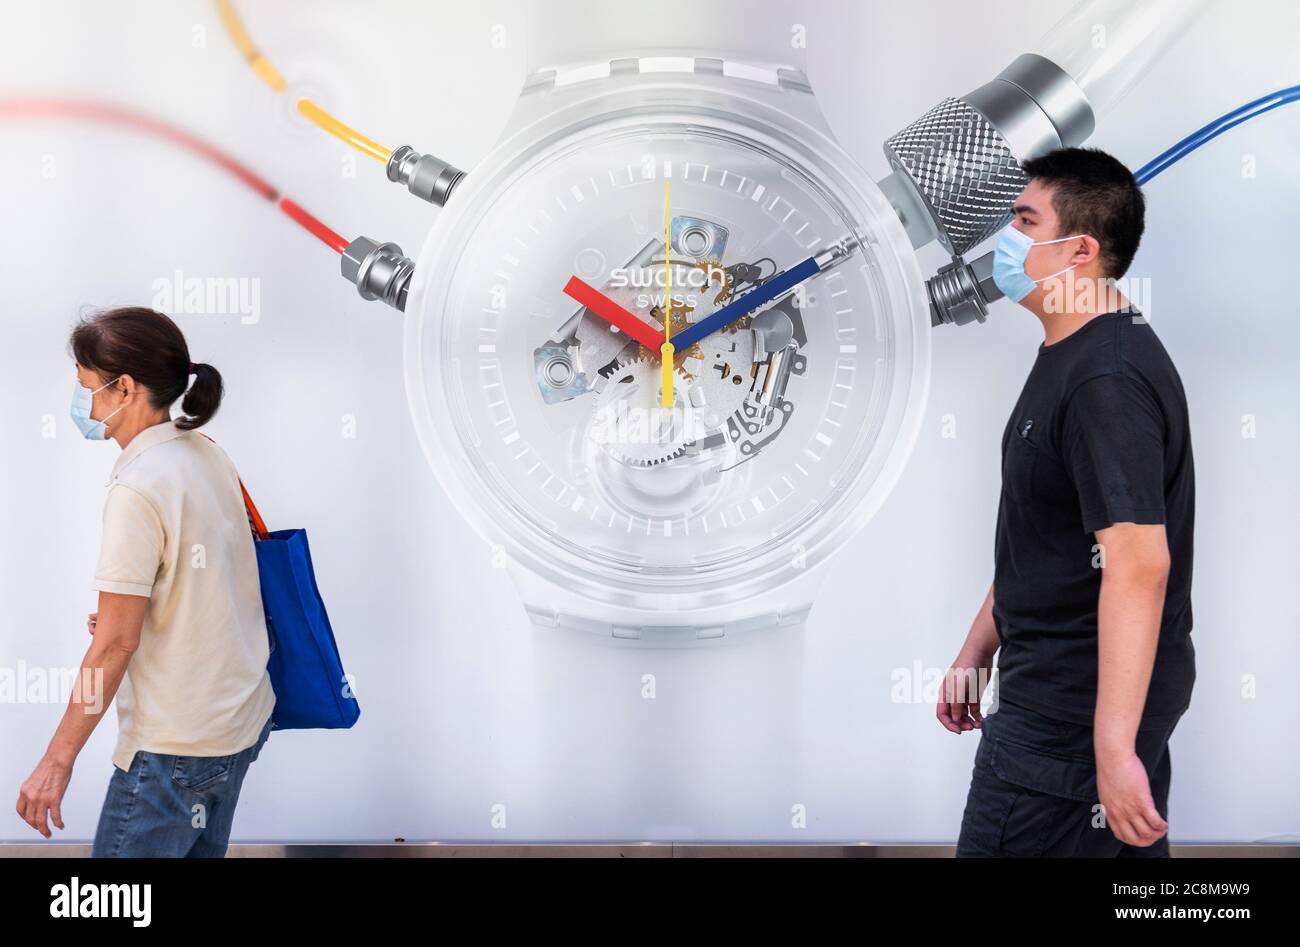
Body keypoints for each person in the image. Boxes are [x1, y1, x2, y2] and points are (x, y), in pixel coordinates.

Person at [938, 147, 1196, 857]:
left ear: (1078, 250)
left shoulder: (1103, 381)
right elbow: (1050, 535)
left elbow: (1139, 563)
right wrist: (977, 647)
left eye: (1024, 219)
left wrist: (1110, 750)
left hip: (1064, 723)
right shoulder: (1076, 352)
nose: (1005, 238)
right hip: (1069, 710)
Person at [15, 306, 276, 857]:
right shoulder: (205, 454)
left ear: (125, 389)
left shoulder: (138, 488)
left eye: (86, 386)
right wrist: (141, 613)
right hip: (237, 724)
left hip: (173, 749)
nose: (82, 401)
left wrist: (55, 762)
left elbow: (114, 644)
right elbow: (213, 580)